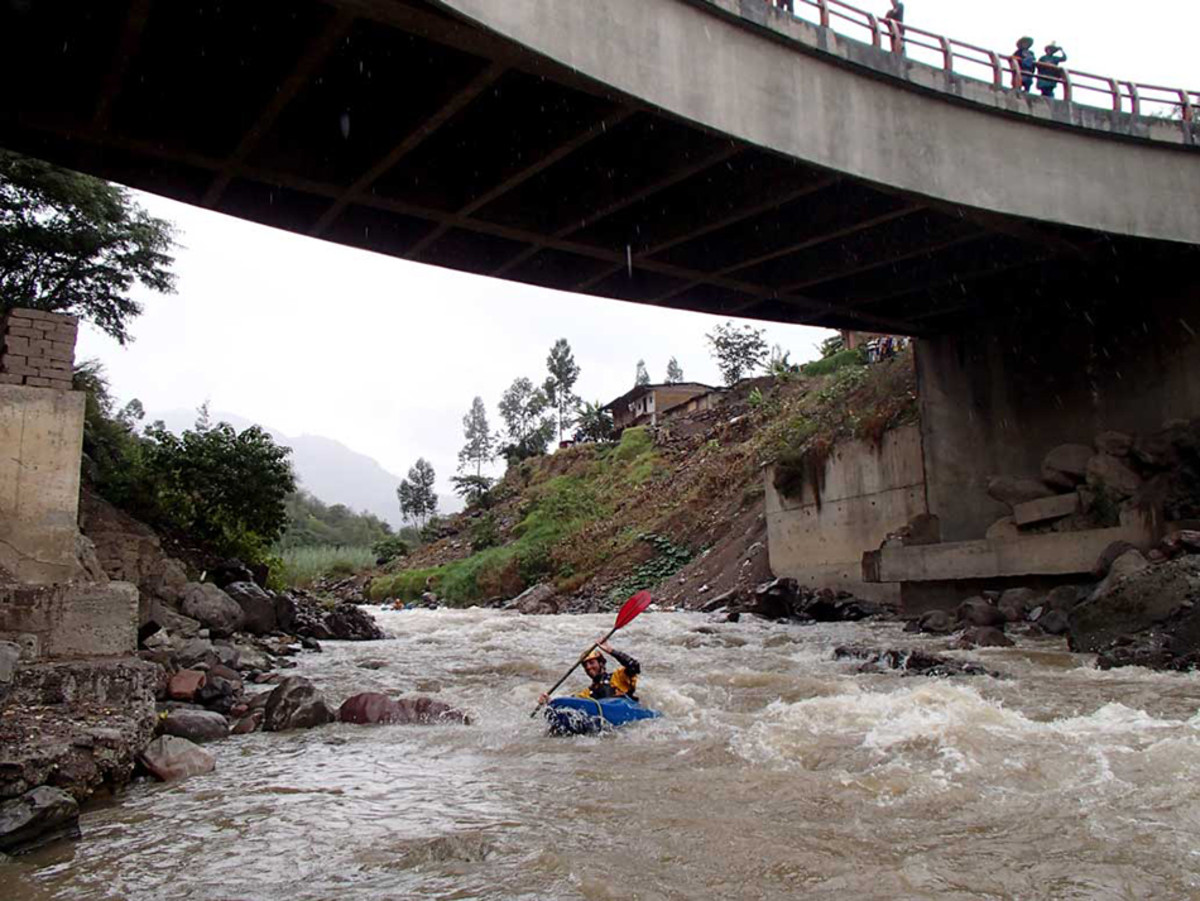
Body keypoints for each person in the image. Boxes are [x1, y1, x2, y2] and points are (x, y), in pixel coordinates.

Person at [538, 640, 641, 705]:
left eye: (591, 663)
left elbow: (634, 666)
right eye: (585, 665)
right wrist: (549, 701)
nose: (588, 667)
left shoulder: (619, 676)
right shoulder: (587, 693)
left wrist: (610, 650)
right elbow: (569, 704)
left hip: (628, 712)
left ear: (601, 663)